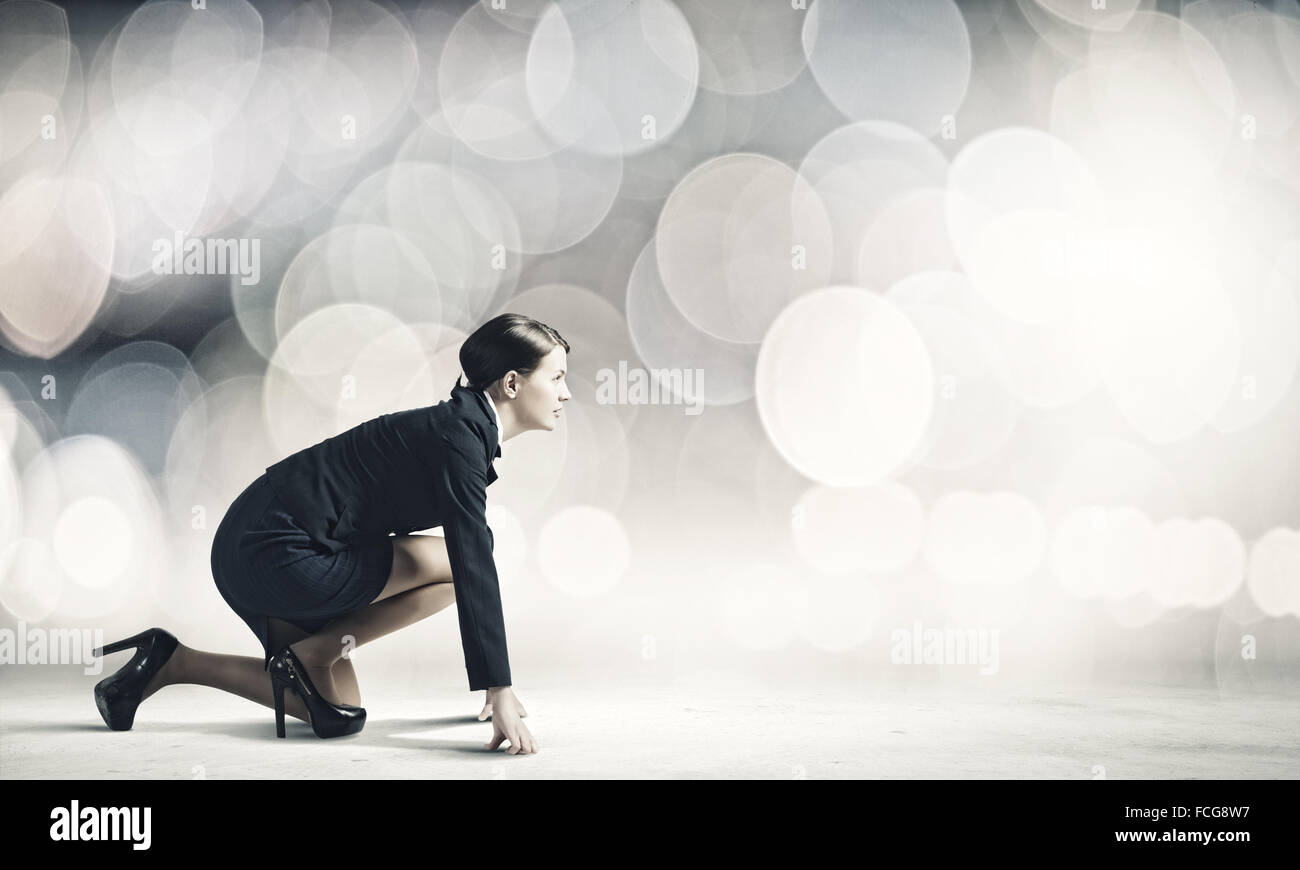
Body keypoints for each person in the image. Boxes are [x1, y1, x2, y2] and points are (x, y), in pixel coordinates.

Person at [91, 314, 570, 755]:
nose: (564, 394)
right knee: (454, 565)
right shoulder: (460, 437)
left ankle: (172, 661)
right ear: (512, 383)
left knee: (340, 711)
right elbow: (472, 562)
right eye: (557, 378)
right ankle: (312, 652)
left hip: (254, 545)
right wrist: (498, 686)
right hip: (275, 549)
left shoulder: (461, 429)